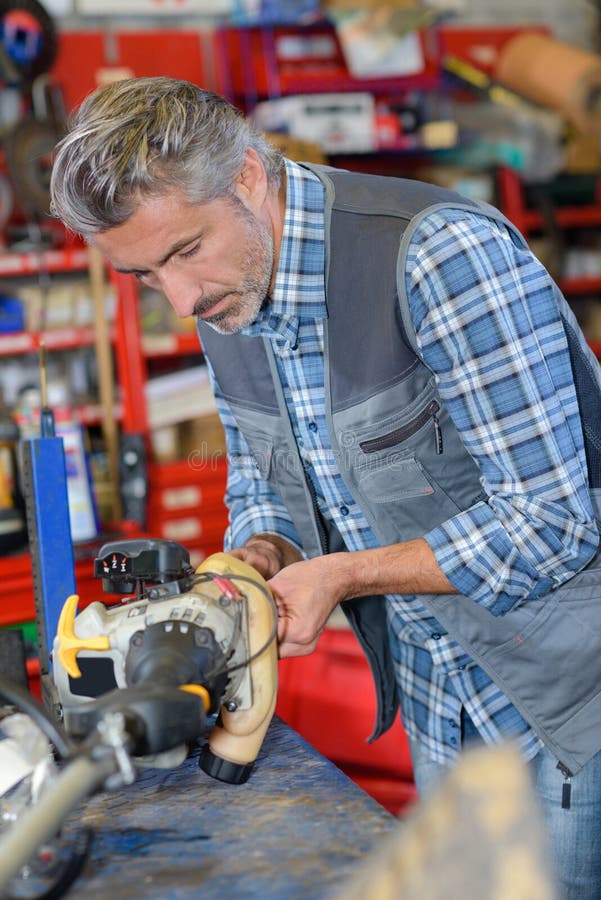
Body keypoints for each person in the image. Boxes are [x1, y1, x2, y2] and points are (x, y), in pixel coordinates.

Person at [50, 76, 601, 897]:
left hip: (571, 703)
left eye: (183, 252)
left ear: (243, 176)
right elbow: (263, 482)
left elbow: (554, 522)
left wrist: (344, 573)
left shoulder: (436, 256)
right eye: (144, 278)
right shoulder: (229, 295)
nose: (183, 300)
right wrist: (263, 554)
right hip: (434, 696)